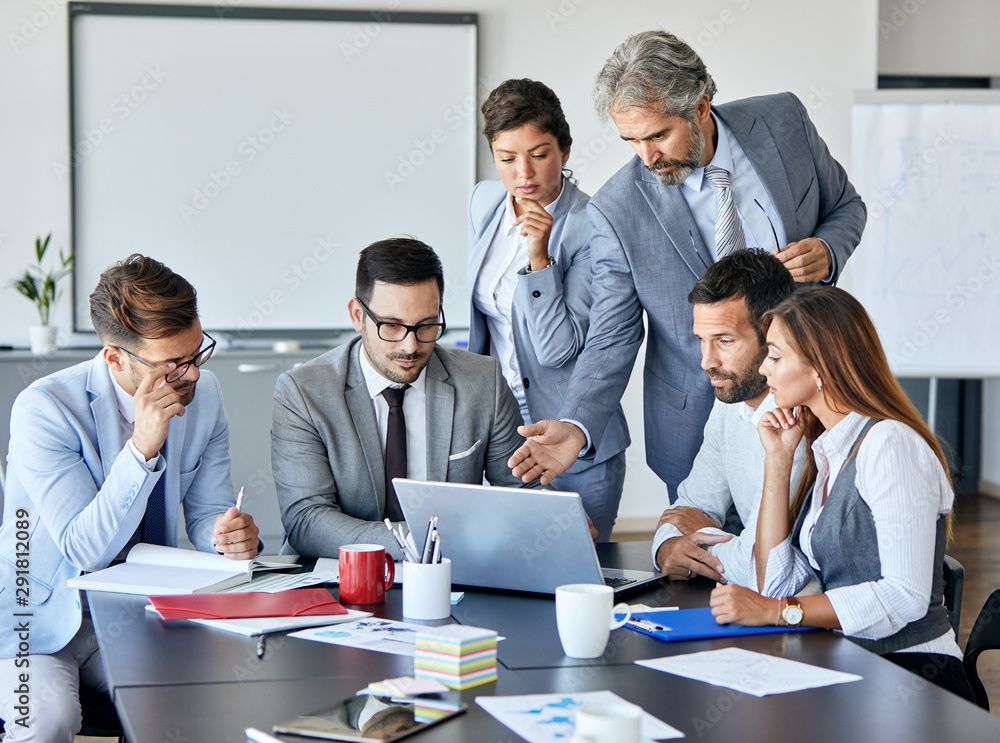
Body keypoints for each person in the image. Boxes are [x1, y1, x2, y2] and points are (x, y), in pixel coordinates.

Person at [508, 30, 866, 501]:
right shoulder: (617, 210)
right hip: (699, 422)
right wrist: (577, 425)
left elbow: (846, 205)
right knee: (707, 559)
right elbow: (612, 335)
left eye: (658, 135)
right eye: (631, 140)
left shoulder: (783, 120)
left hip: (821, 394)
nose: (647, 157)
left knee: (828, 541)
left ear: (700, 106)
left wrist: (828, 248)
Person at [0, 254, 259, 741]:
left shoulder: (204, 394)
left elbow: (206, 514)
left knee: (194, 701)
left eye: (197, 352)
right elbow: (84, 549)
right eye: (172, 365)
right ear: (116, 357)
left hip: (136, 615)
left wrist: (225, 537)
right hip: (35, 622)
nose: (193, 376)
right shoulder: (45, 408)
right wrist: (142, 447)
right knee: (48, 721)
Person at [710, 287, 976, 702]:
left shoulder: (889, 446)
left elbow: (904, 595)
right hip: (850, 664)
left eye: (775, 356)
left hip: (916, 680)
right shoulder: (830, 450)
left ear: (820, 367)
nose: (763, 369)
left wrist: (779, 613)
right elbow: (774, 584)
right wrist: (777, 463)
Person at [272, 238, 541, 559]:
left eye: (426, 325)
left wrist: (559, 521)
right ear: (358, 315)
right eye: (392, 326)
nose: (411, 346)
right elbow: (306, 520)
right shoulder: (303, 392)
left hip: (451, 574)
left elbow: (523, 493)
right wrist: (422, 542)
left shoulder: (483, 382)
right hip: (339, 576)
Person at [468, 78, 629, 541]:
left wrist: (540, 259)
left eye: (539, 154)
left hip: (569, 434)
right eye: (506, 158)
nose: (524, 174)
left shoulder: (593, 225)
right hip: (498, 431)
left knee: (575, 575)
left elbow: (558, 349)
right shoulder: (484, 202)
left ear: (565, 150)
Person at [652, 249, 804, 587]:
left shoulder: (801, 423)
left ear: (773, 334)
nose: (707, 361)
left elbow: (766, 566)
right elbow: (688, 506)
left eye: (724, 340)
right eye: (702, 341)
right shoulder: (729, 402)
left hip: (805, 615)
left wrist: (702, 535)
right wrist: (667, 547)